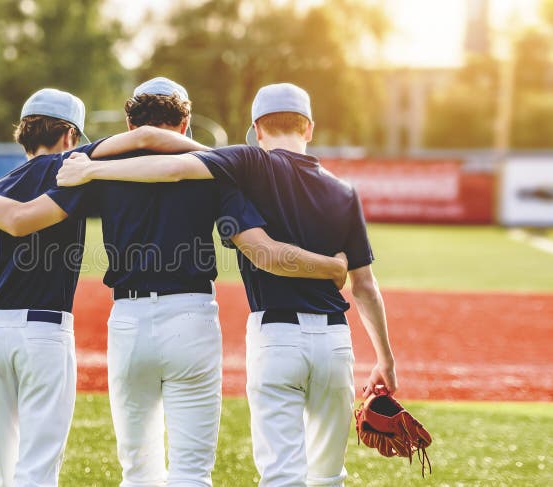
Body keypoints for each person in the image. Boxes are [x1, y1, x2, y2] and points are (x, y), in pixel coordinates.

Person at [0, 78, 348, 487]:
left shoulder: (99, 173)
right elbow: (255, 244)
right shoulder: (215, 170)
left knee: (139, 474)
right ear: (186, 125)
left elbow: (24, 219)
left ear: (129, 126)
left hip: (128, 321)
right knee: (192, 472)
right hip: (192, 318)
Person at [55, 83, 398, 487]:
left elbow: (259, 249)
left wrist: (91, 166)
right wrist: (383, 356)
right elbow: (364, 285)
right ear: (308, 128)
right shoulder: (333, 189)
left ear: (256, 127)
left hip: (167, 323)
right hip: (309, 337)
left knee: (144, 473)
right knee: (318, 477)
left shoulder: (247, 164)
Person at [0, 87, 215, 487]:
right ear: (69, 136)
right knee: (38, 472)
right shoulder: (71, 163)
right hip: (44, 334)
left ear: (22, 133)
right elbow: (147, 138)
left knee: (5, 473)